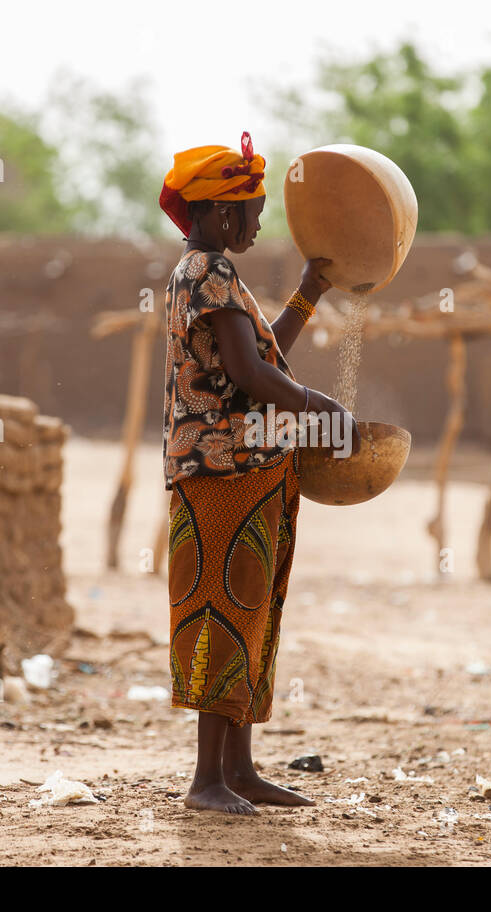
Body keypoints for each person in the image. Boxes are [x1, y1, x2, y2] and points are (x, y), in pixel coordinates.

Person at [158, 131, 357, 815]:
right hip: (221, 470)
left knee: (248, 611)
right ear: (219, 215)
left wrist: (308, 293)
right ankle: (206, 781)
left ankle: (237, 771)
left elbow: (260, 357)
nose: (262, 220)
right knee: (221, 610)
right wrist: (319, 405)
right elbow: (249, 374)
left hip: (248, 467)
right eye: (254, 208)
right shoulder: (206, 272)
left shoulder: (212, 274)